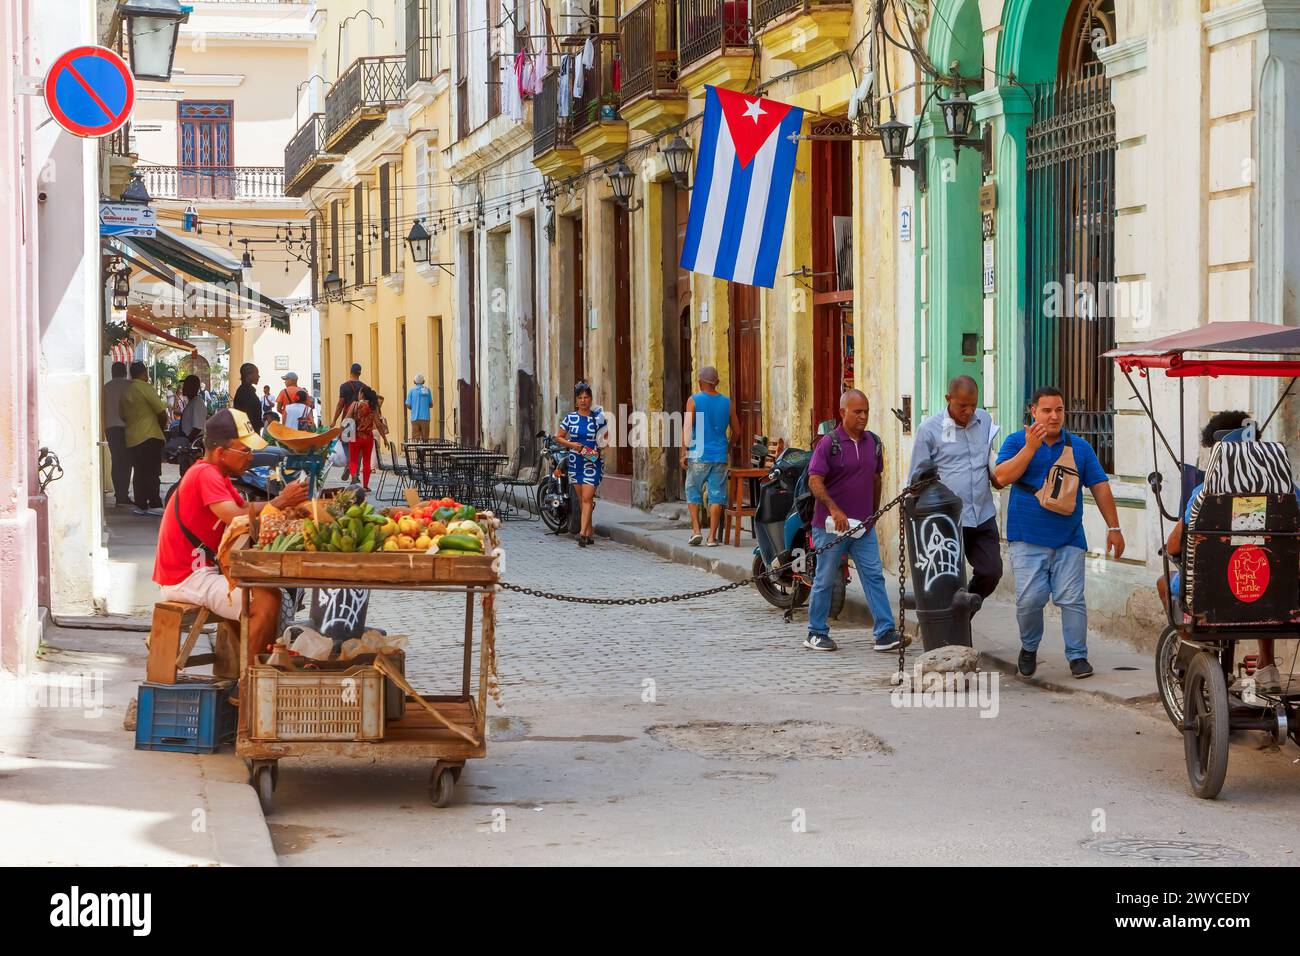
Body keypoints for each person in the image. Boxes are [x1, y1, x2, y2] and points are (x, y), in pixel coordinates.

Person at [153, 408, 309, 675]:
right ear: (221, 452)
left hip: (200, 572)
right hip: (187, 576)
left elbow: (247, 512)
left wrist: (283, 507)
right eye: (244, 450)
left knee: (263, 595)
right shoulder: (205, 474)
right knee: (266, 601)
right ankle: (250, 683)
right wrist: (281, 501)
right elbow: (234, 516)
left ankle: (244, 672)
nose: (250, 457)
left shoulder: (218, 476)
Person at [994, 386, 1125, 680]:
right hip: (1026, 538)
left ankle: (1078, 656)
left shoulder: (1080, 447)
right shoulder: (1016, 441)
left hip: (1069, 538)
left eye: (1059, 410)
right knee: (1030, 600)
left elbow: (1100, 486)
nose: (1054, 416)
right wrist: (1030, 448)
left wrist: (1114, 527)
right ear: (1034, 412)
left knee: (1072, 598)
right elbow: (1001, 477)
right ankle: (1029, 647)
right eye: (1047, 410)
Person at [1157, 413, 1286, 693]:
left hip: (1214, 590)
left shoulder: (1204, 494)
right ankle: (1267, 665)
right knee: (1268, 582)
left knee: (1164, 583)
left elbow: (1174, 547)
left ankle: (1197, 652)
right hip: (1275, 592)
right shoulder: (1289, 491)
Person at [803, 389, 897, 653]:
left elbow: (876, 478)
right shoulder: (828, 444)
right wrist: (834, 509)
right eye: (857, 412)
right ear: (843, 412)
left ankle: (885, 632)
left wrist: (874, 513)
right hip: (830, 527)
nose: (863, 416)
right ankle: (816, 632)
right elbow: (814, 481)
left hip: (863, 527)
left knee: (874, 576)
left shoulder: (874, 443)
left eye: (866, 411)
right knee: (825, 578)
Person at [908, 375, 1002, 602]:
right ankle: (952, 619)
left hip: (982, 514)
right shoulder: (929, 429)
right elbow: (915, 479)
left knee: (992, 572)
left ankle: (964, 611)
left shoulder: (984, 420)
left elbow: (989, 457)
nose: (968, 411)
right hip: (947, 519)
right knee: (948, 581)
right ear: (948, 398)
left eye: (973, 405)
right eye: (962, 406)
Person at [680, 365, 740, 547]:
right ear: (717, 382)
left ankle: (696, 530)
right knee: (716, 495)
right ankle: (712, 537)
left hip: (698, 455)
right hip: (719, 455)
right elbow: (737, 431)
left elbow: (687, 429)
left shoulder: (693, 400)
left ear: (700, 382)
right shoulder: (727, 403)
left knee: (692, 491)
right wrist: (728, 447)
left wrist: (683, 453)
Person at [556, 381, 606, 547]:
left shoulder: (598, 418)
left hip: (592, 461)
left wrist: (599, 447)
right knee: (582, 499)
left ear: (590, 399)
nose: (583, 400)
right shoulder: (570, 418)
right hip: (575, 461)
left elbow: (606, 438)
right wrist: (572, 445)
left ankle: (583, 534)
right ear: (576, 401)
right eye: (580, 397)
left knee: (587, 498)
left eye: (586, 397)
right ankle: (589, 532)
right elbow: (558, 437)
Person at [119, 360, 168, 516]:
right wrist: (161, 427)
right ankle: (154, 503)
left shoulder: (126, 392)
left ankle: (141, 504)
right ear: (143, 373)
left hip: (132, 438)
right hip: (150, 435)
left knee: (139, 472)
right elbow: (161, 412)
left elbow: (122, 416)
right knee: (152, 472)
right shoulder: (146, 388)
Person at [103, 361, 134, 507]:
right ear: (125, 372)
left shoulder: (106, 388)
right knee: (127, 462)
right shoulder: (130, 386)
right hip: (127, 427)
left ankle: (119, 494)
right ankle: (123, 494)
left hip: (110, 428)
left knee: (116, 460)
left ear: (112, 372)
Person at [331, 363, 367, 480]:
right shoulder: (364, 387)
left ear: (350, 372)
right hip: (361, 421)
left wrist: (334, 420)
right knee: (359, 448)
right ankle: (355, 475)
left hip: (348, 421)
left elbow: (340, 404)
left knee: (347, 444)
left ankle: (349, 464)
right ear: (360, 373)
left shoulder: (344, 386)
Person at [343, 385, 381, 490]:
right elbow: (378, 424)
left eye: (359, 393)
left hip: (355, 437)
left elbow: (346, 419)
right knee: (366, 462)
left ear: (362, 394)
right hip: (368, 438)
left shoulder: (355, 405)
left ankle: (354, 478)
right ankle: (365, 486)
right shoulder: (373, 406)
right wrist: (385, 439)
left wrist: (341, 432)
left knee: (353, 460)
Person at [178, 374, 207, 474]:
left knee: (189, 473)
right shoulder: (193, 402)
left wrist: (187, 443)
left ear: (194, 387)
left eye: (186, 385)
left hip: (193, 445)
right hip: (189, 443)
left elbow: (197, 427)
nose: (184, 388)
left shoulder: (197, 403)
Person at [232, 363, 264, 433]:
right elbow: (247, 417)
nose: (258, 376)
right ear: (248, 375)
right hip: (248, 433)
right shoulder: (244, 392)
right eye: (256, 373)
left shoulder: (248, 391)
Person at [406, 374, 433, 442]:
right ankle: (424, 448)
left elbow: (408, 405)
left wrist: (414, 408)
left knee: (415, 439)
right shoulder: (427, 390)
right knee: (425, 439)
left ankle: (416, 449)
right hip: (425, 418)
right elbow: (431, 404)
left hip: (415, 418)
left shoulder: (411, 391)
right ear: (424, 381)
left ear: (414, 382)